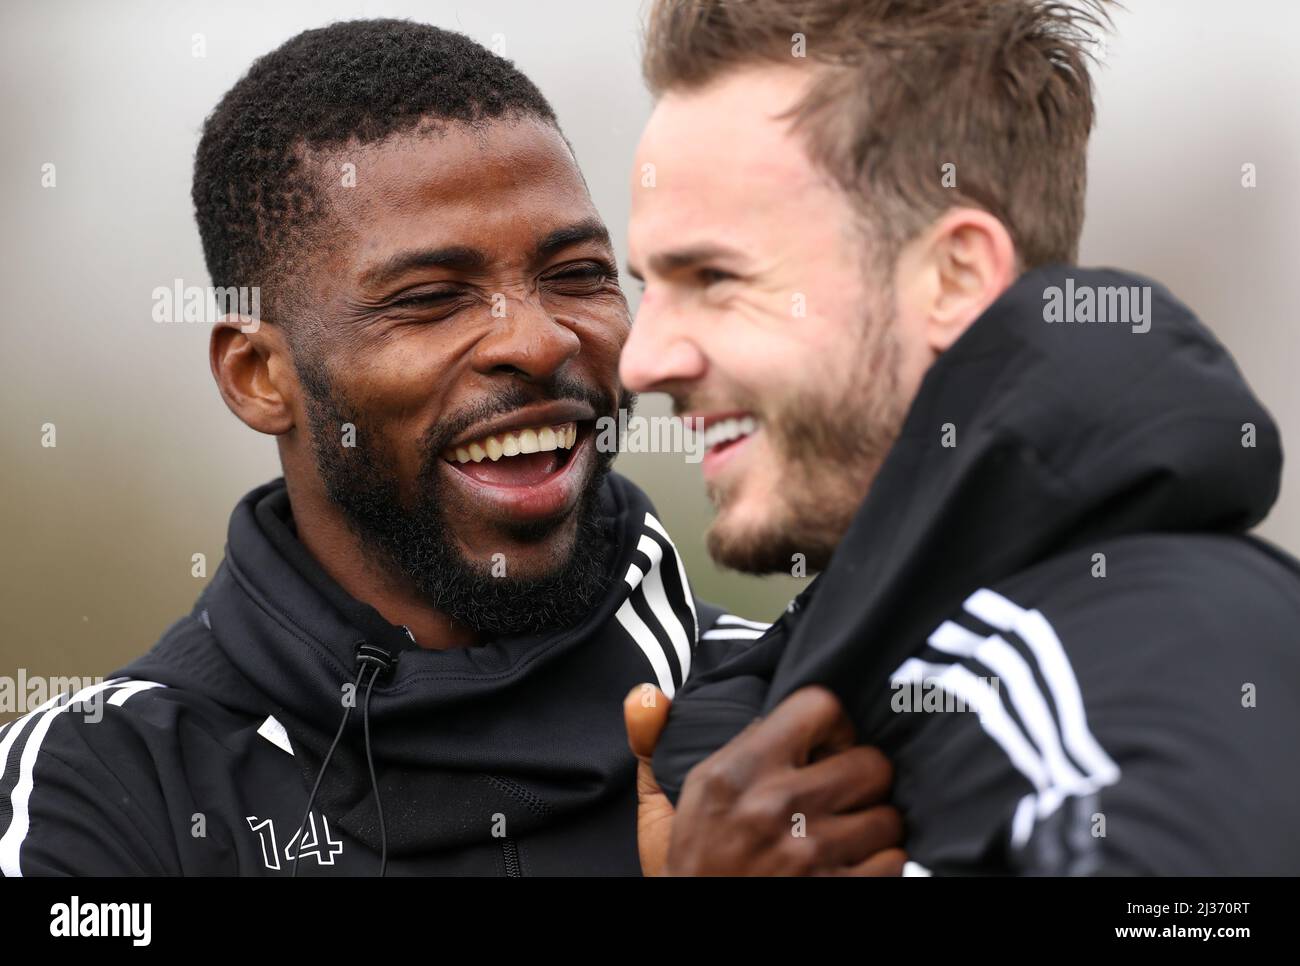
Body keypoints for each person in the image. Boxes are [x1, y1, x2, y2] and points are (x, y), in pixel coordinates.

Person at [0, 19, 902, 876]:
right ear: (257, 376)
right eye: (432, 297)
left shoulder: (809, 715)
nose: (540, 339)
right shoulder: (106, 783)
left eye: (577, 275)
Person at [622, 0, 1300, 874]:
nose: (643, 361)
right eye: (650, 288)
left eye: (715, 277)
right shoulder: (852, 680)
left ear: (953, 277)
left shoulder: (1179, 652)